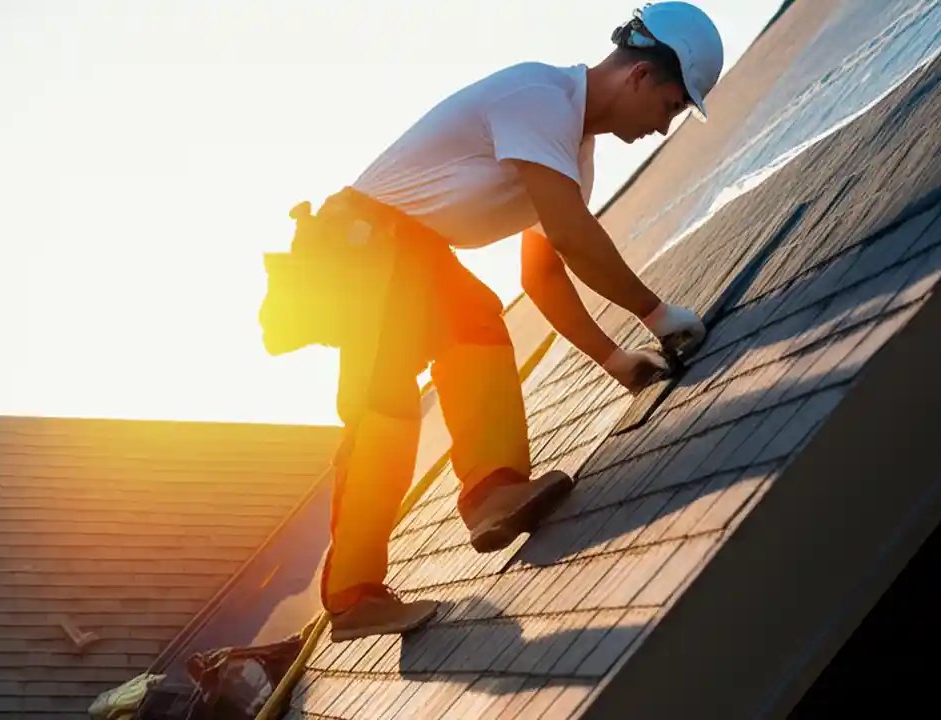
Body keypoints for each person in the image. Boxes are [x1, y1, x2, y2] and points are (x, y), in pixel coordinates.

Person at [259, 2, 725, 642]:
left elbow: (542, 272)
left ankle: (491, 493)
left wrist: (616, 361)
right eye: (672, 106)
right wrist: (656, 314)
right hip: (361, 244)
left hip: (407, 251)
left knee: (473, 324)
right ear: (641, 77)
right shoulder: (541, 97)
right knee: (388, 407)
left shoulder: (568, 151)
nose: (664, 125)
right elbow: (571, 236)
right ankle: (354, 595)